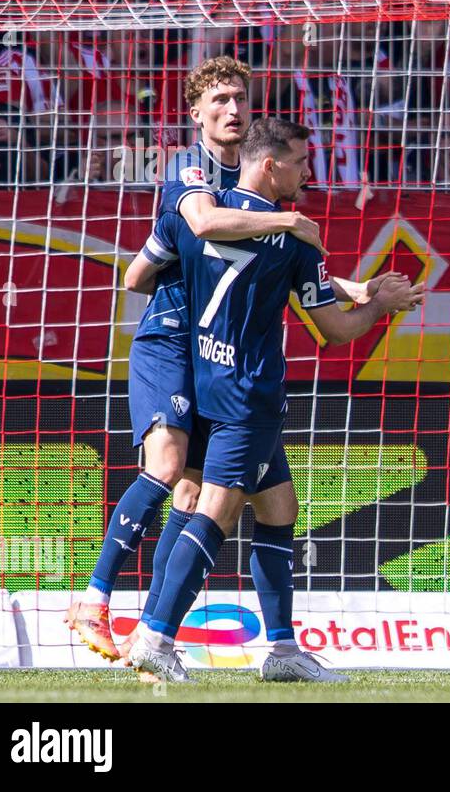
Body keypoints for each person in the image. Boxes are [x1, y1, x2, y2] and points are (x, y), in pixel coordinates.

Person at [125, 118, 422, 683]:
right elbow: (333, 330)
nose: (308, 173)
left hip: (202, 379)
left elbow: (139, 277)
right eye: (301, 162)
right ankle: (158, 634)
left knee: (277, 507)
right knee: (217, 510)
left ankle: (283, 648)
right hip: (249, 392)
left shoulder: (199, 213)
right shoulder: (294, 236)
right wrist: (378, 301)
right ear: (270, 166)